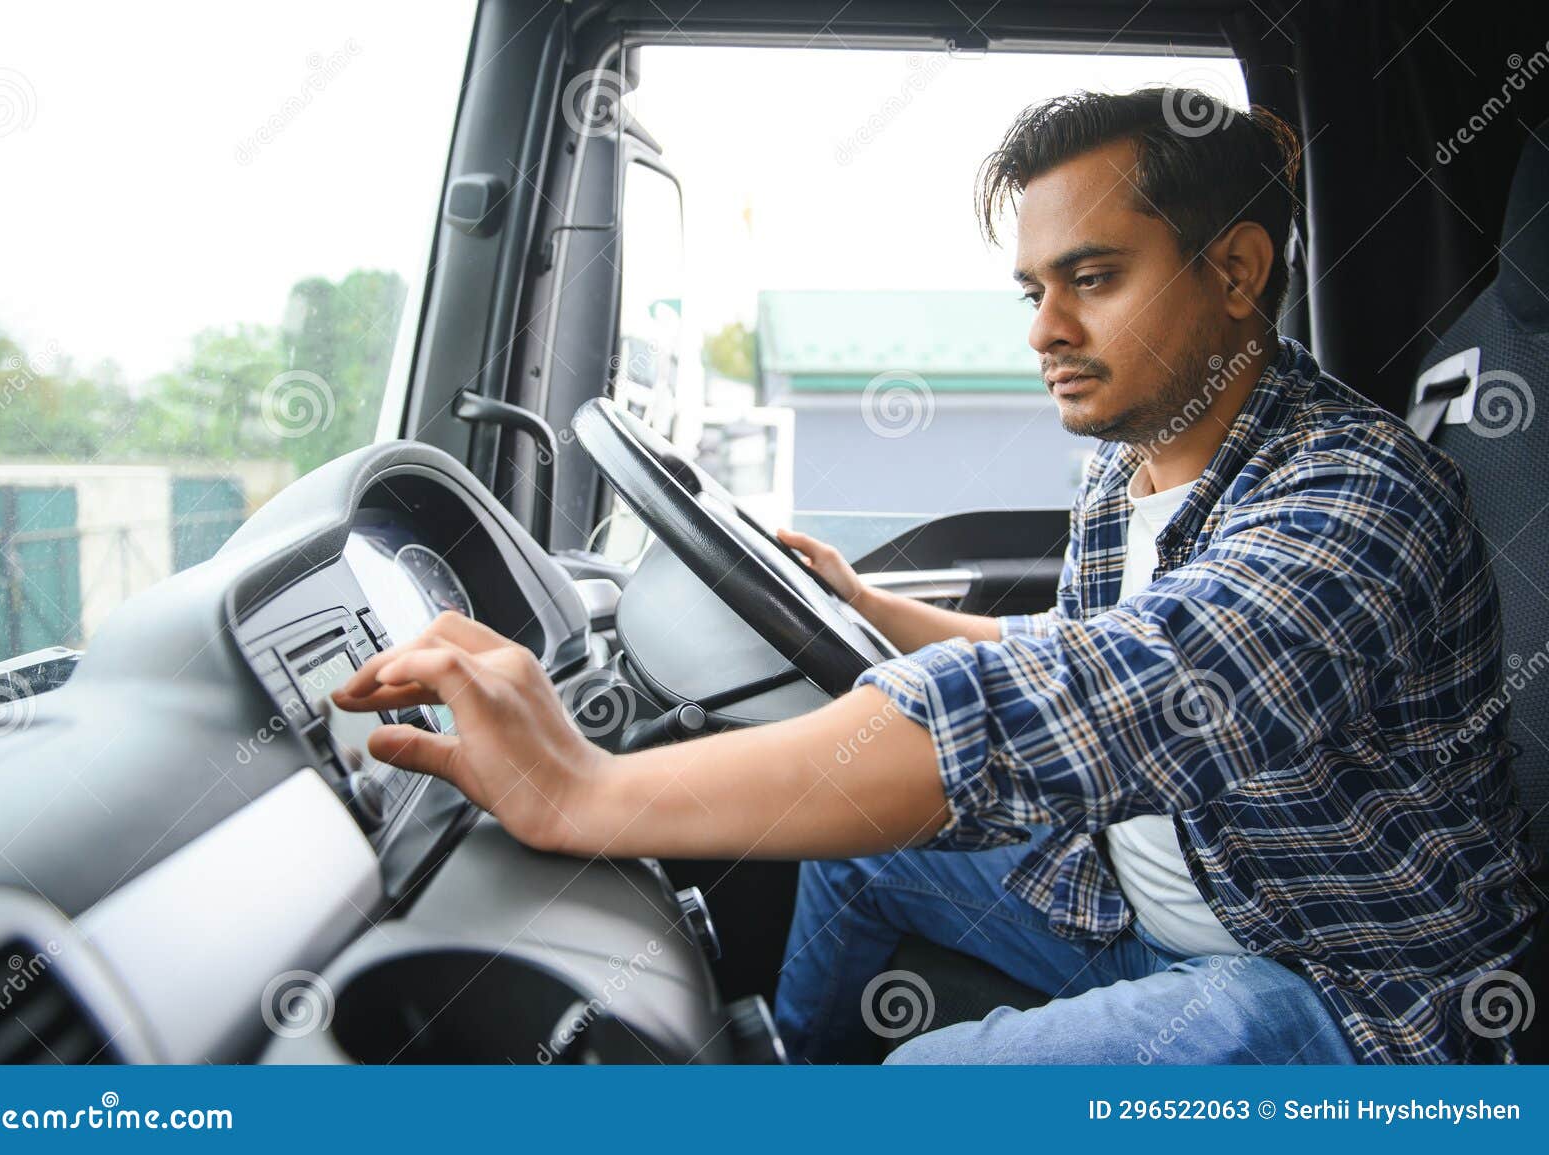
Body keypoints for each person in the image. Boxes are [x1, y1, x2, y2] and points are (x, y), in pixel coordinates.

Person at [333, 88, 1540, 1065]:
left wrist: (583, 792)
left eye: (1094, 278)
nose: (1042, 332)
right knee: (857, 845)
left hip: (1345, 995)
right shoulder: (1132, 466)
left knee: (930, 1089)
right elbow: (1076, 655)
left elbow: (1085, 708)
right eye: (1033, 290)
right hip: (1157, 900)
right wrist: (862, 609)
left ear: (1234, 273)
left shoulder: (1351, 502)